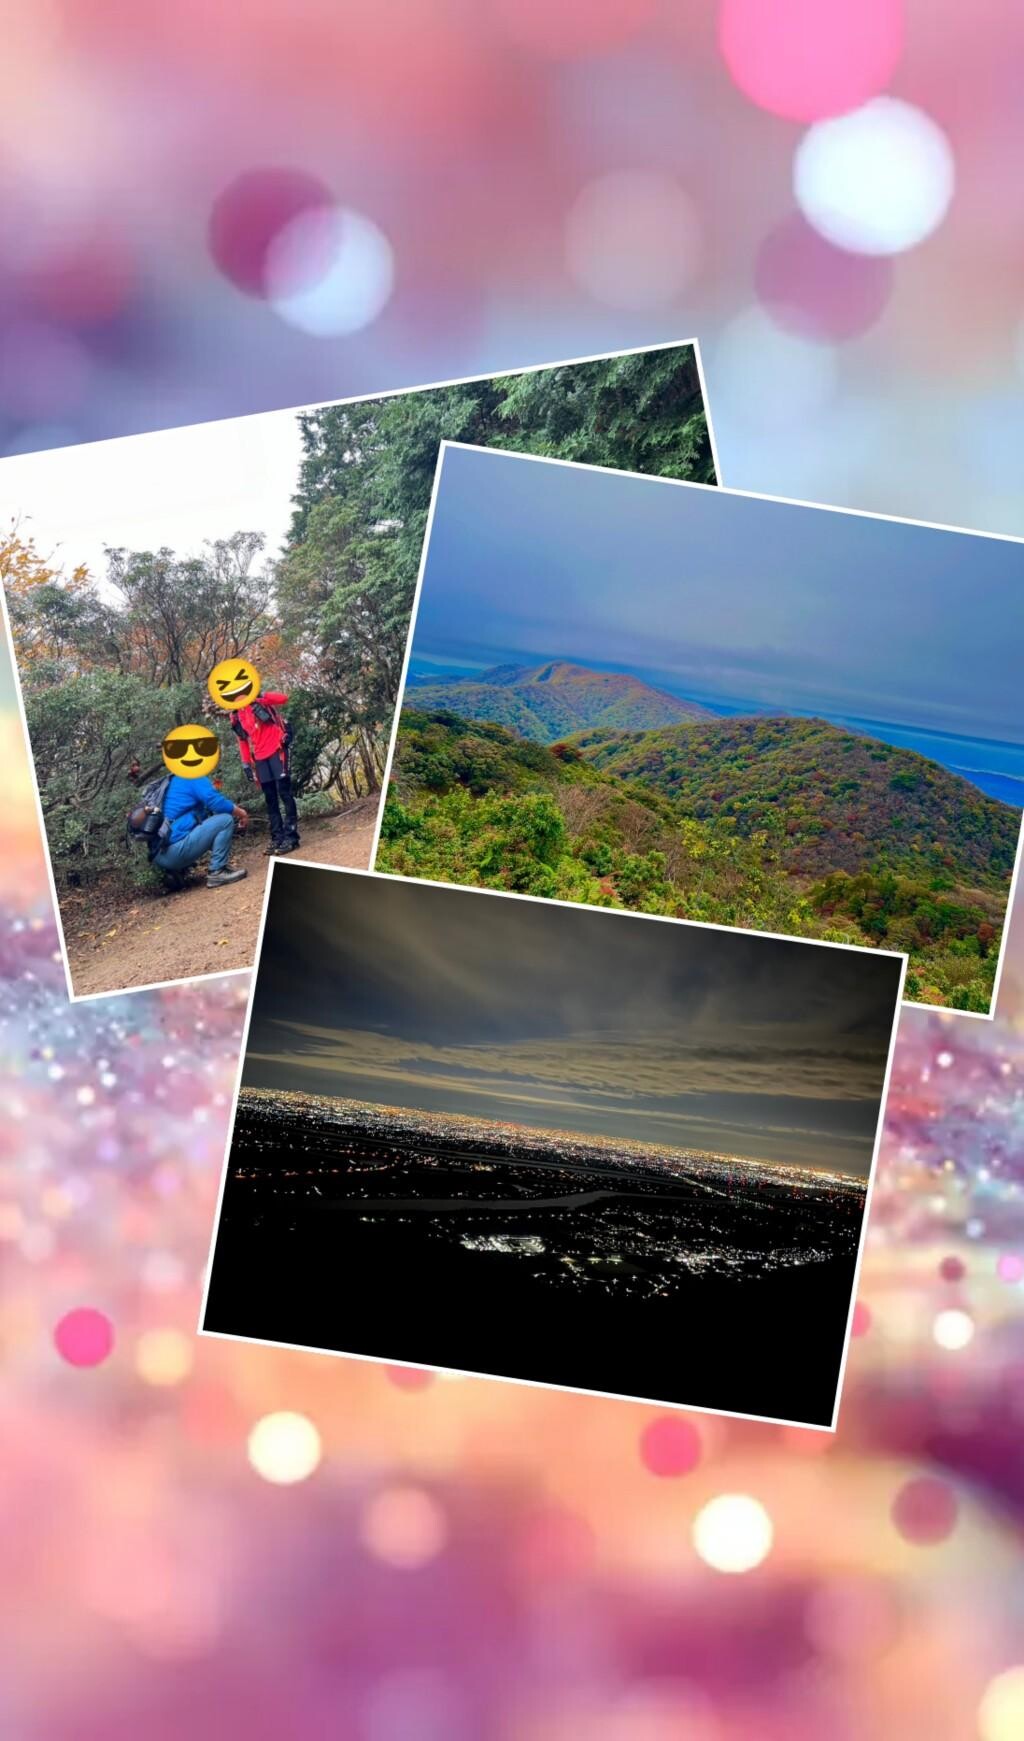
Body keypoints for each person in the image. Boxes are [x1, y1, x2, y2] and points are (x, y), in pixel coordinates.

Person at [230, 688, 300, 855]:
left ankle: (292, 837)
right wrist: (246, 763)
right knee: (270, 799)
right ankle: (277, 837)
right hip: (260, 757)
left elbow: (284, 698)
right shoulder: (235, 714)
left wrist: (260, 694)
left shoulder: (260, 701)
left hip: (277, 750)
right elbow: (242, 740)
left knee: (285, 793)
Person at [153, 774, 250, 887]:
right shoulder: (192, 776)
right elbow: (216, 802)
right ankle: (217, 872)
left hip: (160, 853)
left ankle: (177, 876)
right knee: (225, 820)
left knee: (212, 823)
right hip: (174, 851)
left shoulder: (173, 780)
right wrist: (242, 814)